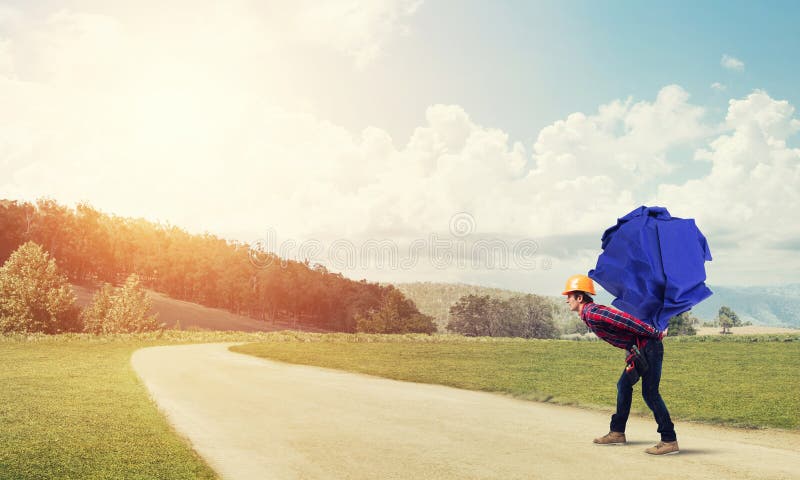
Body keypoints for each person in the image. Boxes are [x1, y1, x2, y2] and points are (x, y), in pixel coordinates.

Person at [562, 274, 679, 455]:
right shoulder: (588, 314)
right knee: (623, 385)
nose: (566, 299)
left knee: (650, 393)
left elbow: (625, 320)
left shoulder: (593, 312)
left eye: (569, 296)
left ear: (579, 297)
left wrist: (655, 333)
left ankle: (669, 440)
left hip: (649, 346)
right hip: (639, 349)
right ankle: (617, 433)